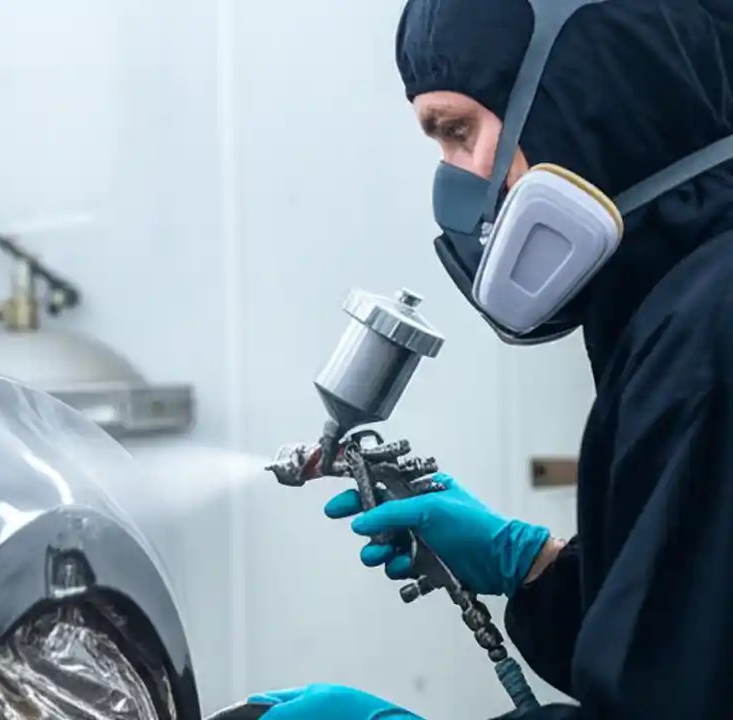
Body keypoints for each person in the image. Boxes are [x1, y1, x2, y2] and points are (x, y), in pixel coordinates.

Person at [247, 0, 733, 718]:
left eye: (458, 132)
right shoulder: (686, 310)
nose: (459, 188)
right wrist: (535, 566)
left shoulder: (706, 345)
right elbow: (685, 653)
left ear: (586, 96)